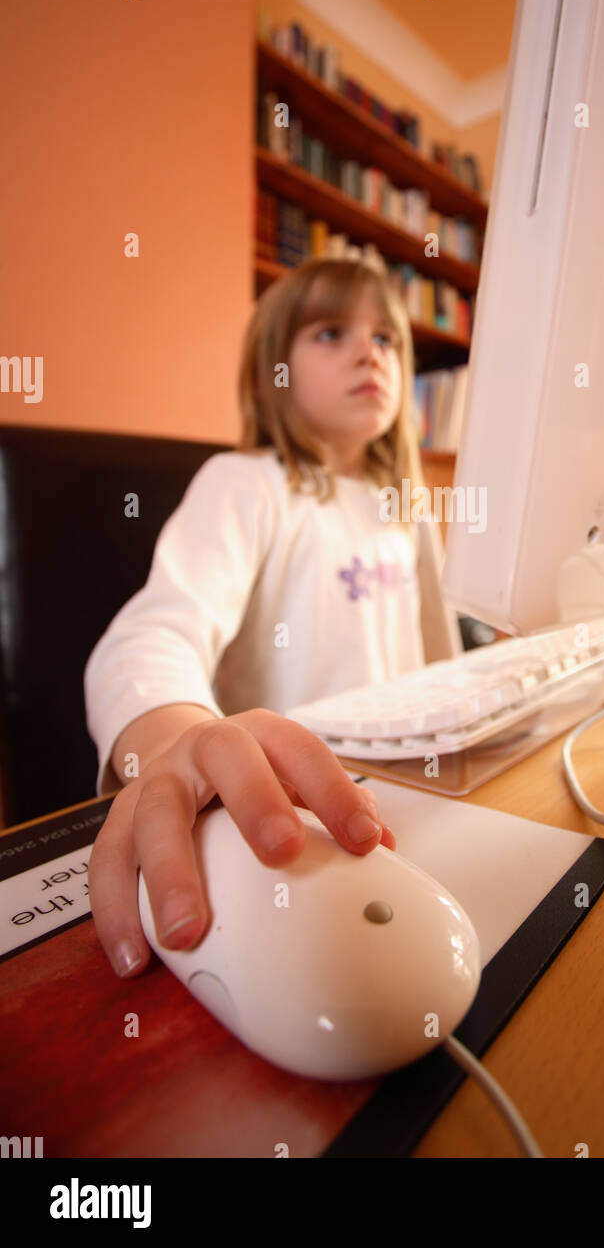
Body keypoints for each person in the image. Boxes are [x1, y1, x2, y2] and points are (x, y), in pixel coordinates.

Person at [84, 257, 462, 981]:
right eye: (331, 332)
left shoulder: (402, 511)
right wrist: (179, 743)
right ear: (273, 371)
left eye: (386, 338)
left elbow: (444, 660)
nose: (368, 352)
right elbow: (149, 637)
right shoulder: (246, 486)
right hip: (295, 825)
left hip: (405, 808)